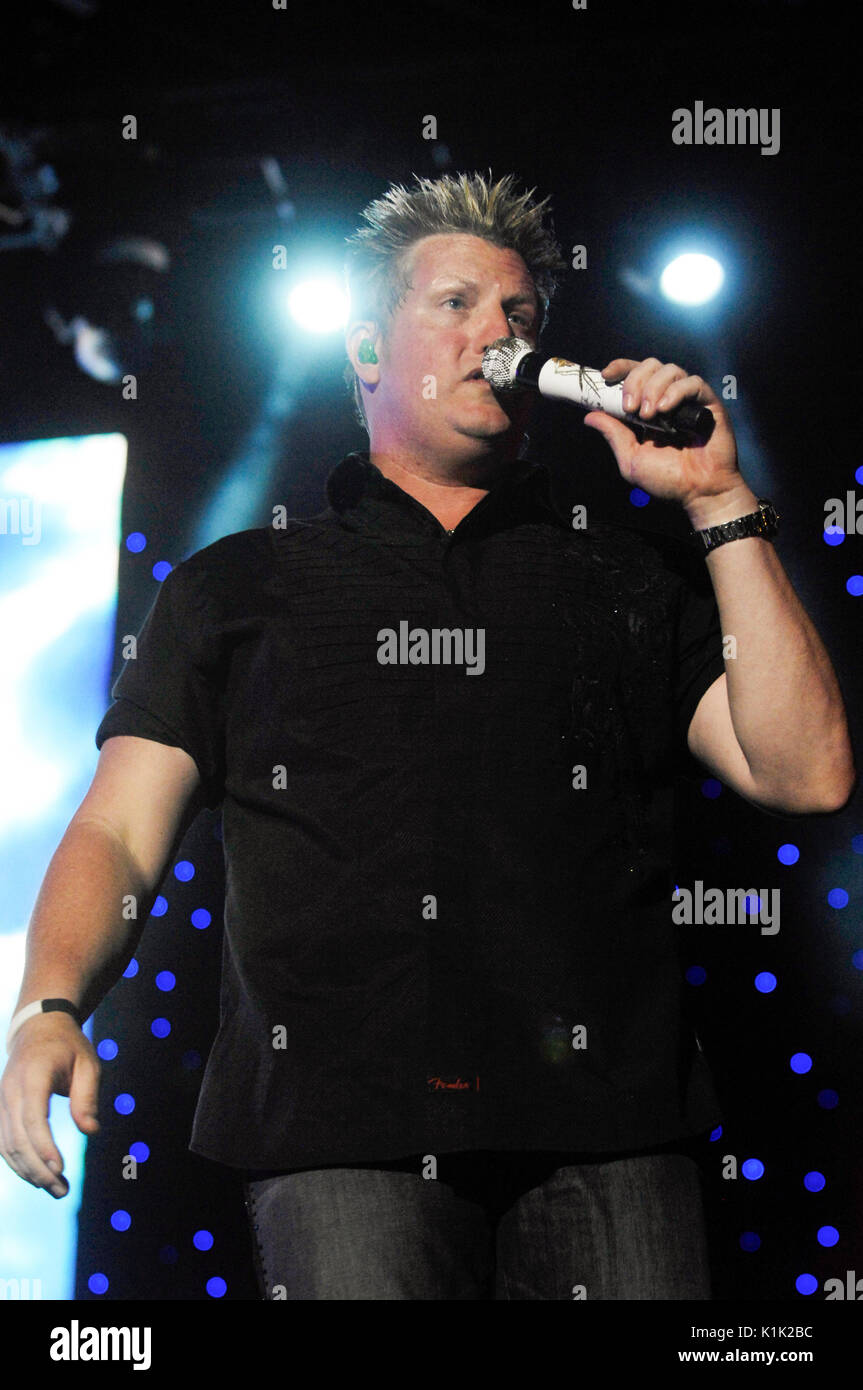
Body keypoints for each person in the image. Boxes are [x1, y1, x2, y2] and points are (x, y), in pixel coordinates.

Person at [0, 172, 855, 1301]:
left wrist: (715, 501)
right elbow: (117, 827)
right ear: (365, 348)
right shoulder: (239, 584)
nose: (494, 333)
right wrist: (50, 1003)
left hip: (614, 1137)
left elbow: (804, 773)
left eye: (517, 315)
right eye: (453, 304)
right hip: (343, 1140)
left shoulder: (626, 577)